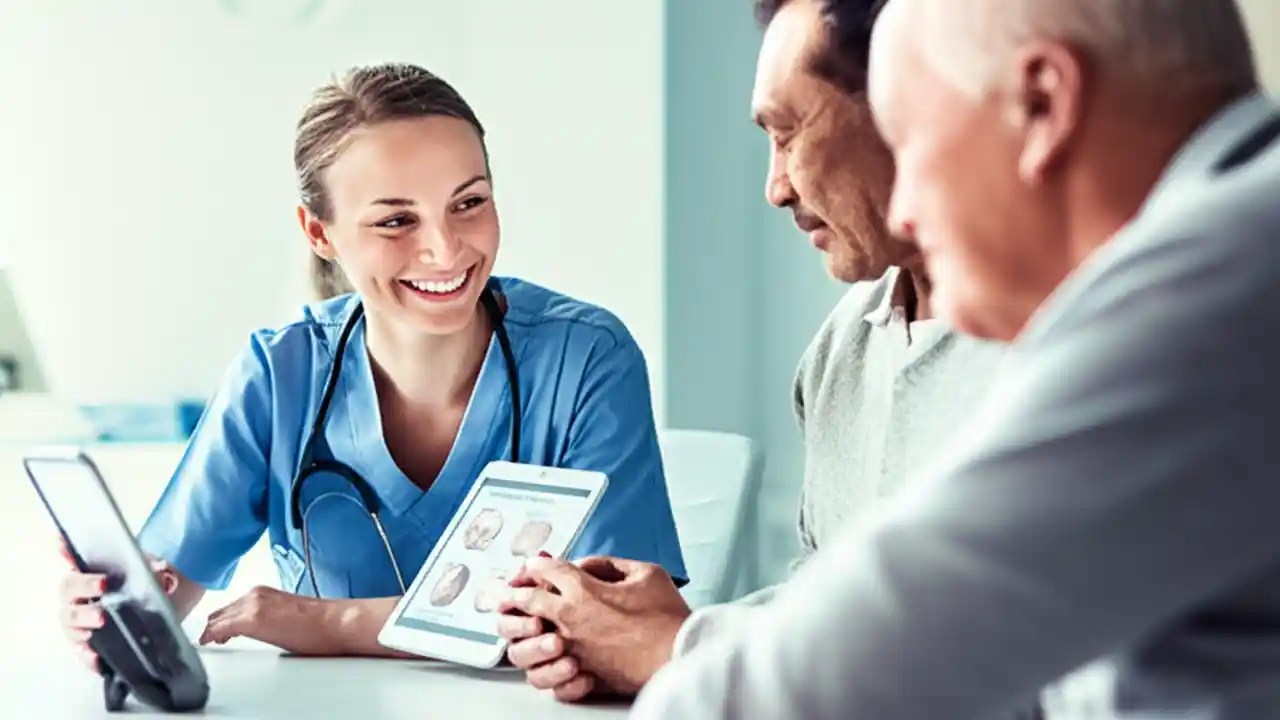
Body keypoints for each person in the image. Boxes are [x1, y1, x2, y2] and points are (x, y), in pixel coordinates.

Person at [622, 0, 1280, 717]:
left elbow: (842, 668)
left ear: (1042, 104)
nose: (903, 211)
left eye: (912, 139)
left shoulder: (1225, 281)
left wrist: (680, 653)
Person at [56, 62, 687, 671]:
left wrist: (331, 623)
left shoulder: (587, 359)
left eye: (468, 203)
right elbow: (165, 587)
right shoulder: (281, 373)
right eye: (395, 220)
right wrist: (114, 613)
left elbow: (616, 626)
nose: (444, 249)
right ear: (319, 231)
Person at [497, 0, 1020, 708]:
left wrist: (679, 654)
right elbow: (828, 599)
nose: (776, 188)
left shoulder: (1054, 348)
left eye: (788, 132)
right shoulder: (842, 349)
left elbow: (993, 658)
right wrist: (643, 631)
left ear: (907, 109)